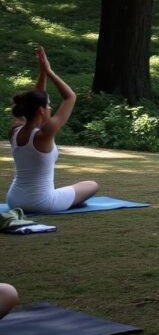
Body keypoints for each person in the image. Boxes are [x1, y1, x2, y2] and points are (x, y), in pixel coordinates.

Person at [6, 48, 98, 214]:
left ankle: (70, 201)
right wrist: (49, 71)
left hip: (14, 200)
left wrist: (42, 75)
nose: (50, 108)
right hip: (42, 203)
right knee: (92, 185)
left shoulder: (15, 130)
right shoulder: (44, 134)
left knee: (69, 190)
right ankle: (71, 202)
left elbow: (34, 100)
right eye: (48, 105)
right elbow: (70, 97)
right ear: (41, 110)